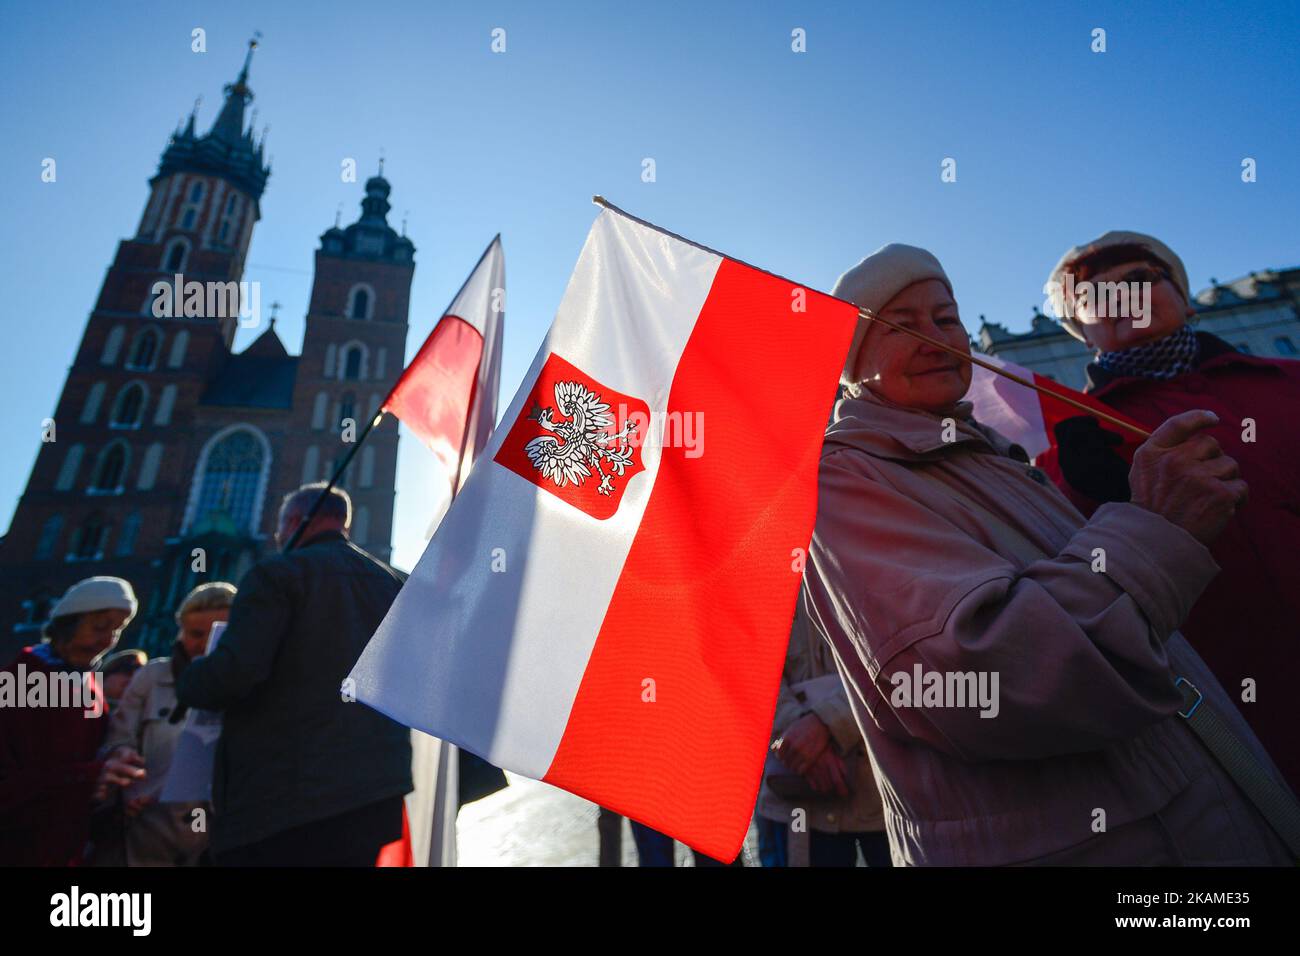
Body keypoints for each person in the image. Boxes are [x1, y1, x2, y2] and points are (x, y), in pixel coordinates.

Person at [802, 243, 1294, 865]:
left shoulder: (995, 459)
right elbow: (984, 679)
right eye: (899, 324)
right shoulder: (850, 477)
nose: (934, 338)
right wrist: (1158, 528)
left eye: (946, 318)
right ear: (853, 362)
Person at [1042, 231, 1300, 794]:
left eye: (1138, 280)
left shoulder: (1289, 384)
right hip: (1227, 739)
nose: (1123, 300)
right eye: (1096, 298)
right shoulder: (1063, 456)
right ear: (1082, 331)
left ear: (1184, 297)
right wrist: (1092, 504)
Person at [175, 483, 413, 866]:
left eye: (280, 528)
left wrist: (189, 676)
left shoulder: (277, 575)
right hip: (372, 795)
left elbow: (235, 674)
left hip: (284, 802)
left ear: (294, 521)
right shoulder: (393, 583)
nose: (278, 537)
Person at [0, 576, 137, 866]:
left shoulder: (88, 682)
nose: (107, 640)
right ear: (66, 624)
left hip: (65, 845)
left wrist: (115, 755)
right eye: (100, 627)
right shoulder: (22, 680)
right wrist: (90, 776)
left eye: (117, 630)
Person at [97, 582, 235, 866]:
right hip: (144, 826)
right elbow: (118, 737)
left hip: (213, 836)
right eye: (196, 634)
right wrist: (122, 759)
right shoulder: (152, 677)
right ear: (180, 630)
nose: (205, 644)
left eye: (218, 634)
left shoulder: (248, 686)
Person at [757, 605, 890, 867]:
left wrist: (829, 723)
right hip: (796, 801)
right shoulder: (753, 569)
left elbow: (911, 654)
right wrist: (793, 730)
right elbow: (744, 657)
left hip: (889, 794)